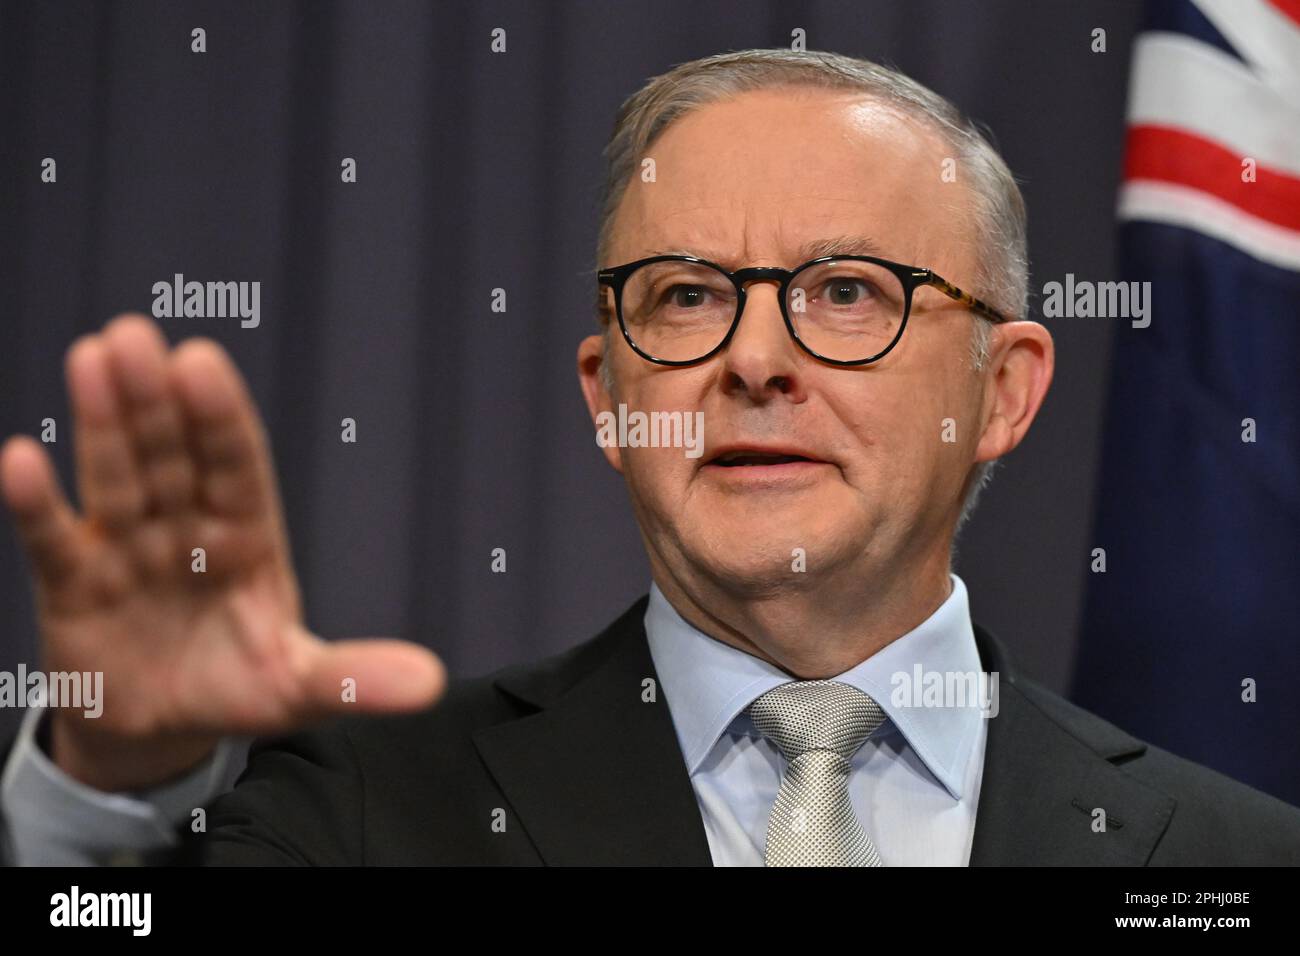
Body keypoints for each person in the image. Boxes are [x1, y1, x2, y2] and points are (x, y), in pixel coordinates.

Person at [2, 49, 1298, 866]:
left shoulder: (1230, 859)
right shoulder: (355, 810)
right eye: (684, 296)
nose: (751, 359)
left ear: (1004, 391)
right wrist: (106, 800)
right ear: (609, 393)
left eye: (847, 292)